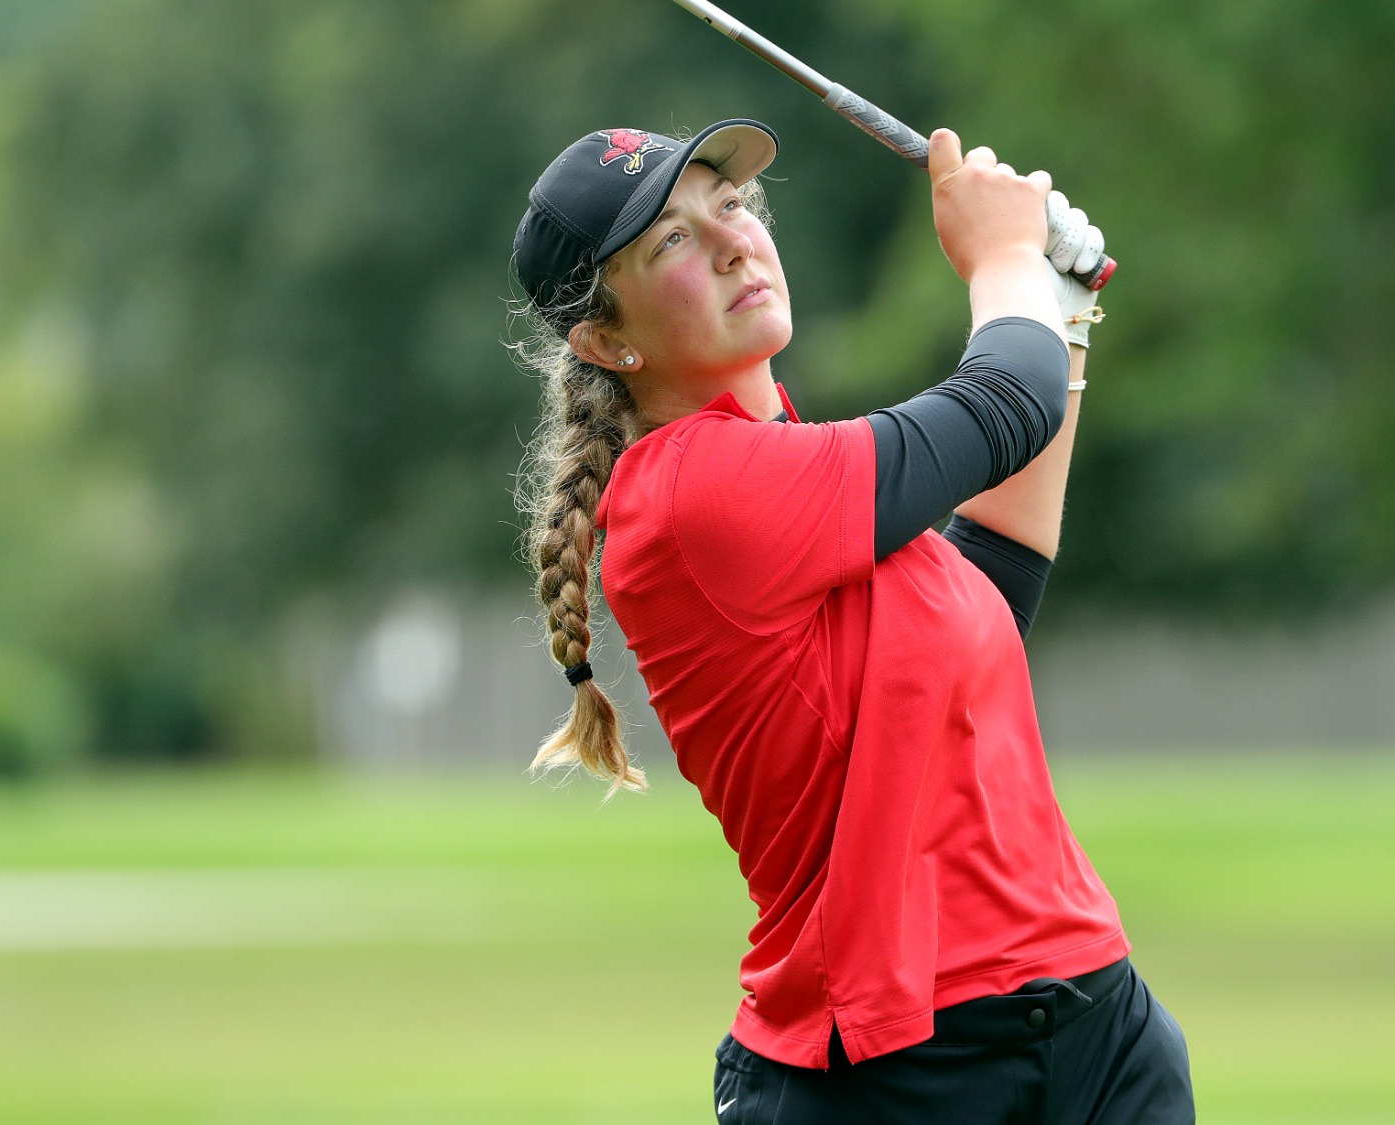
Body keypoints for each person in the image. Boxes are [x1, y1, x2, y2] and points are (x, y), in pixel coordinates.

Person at [509, 118, 1193, 1123]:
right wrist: (1001, 257)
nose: (734, 242)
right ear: (608, 341)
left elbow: (992, 583)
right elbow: (1007, 399)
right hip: (896, 1069)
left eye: (730, 205)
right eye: (673, 241)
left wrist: (1059, 309)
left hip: (1097, 1022)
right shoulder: (687, 494)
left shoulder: (804, 472)